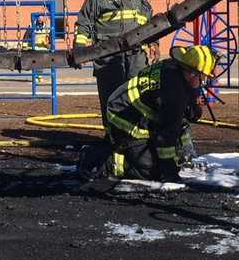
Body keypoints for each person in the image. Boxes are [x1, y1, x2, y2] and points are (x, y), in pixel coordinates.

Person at [84, 44, 217, 182]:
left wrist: (193, 105)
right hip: (124, 118)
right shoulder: (173, 92)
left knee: (176, 130)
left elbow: (184, 112)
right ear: (191, 74)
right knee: (152, 169)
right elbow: (166, 133)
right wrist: (169, 171)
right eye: (203, 77)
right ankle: (107, 162)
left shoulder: (174, 68)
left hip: (138, 111)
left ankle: (132, 150)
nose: (204, 82)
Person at [75, 0, 154, 131]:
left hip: (135, 57)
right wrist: (79, 49)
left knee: (137, 96)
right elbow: (84, 22)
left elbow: (149, 24)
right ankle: (112, 136)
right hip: (108, 58)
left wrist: (153, 44)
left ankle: (137, 137)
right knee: (110, 97)